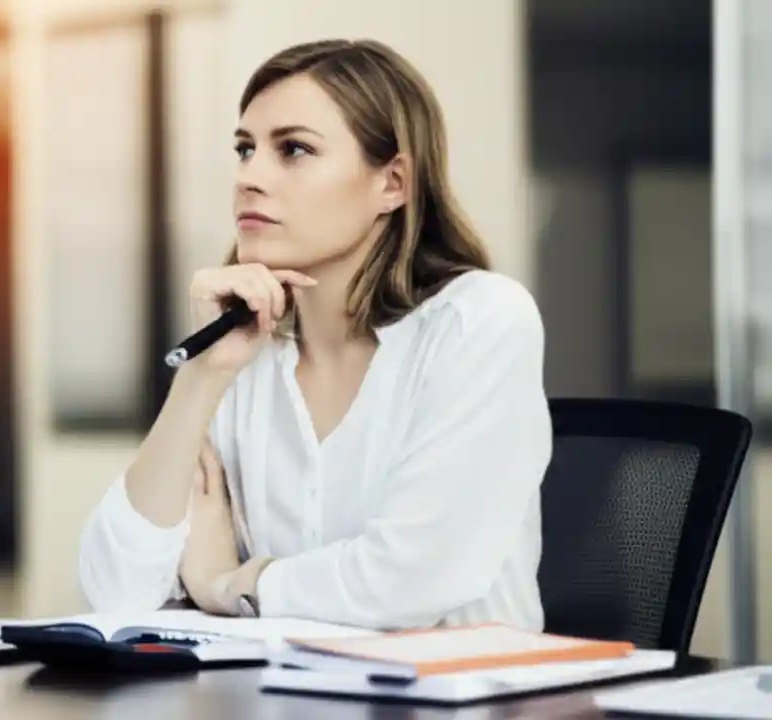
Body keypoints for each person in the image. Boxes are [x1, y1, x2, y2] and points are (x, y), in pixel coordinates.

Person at [77, 39, 551, 631]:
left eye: (294, 149)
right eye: (245, 150)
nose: (250, 177)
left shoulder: (481, 320)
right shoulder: (245, 356)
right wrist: (202, 377)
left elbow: (413, 578)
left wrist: (234, 587)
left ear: (393, 183)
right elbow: (116, 590)